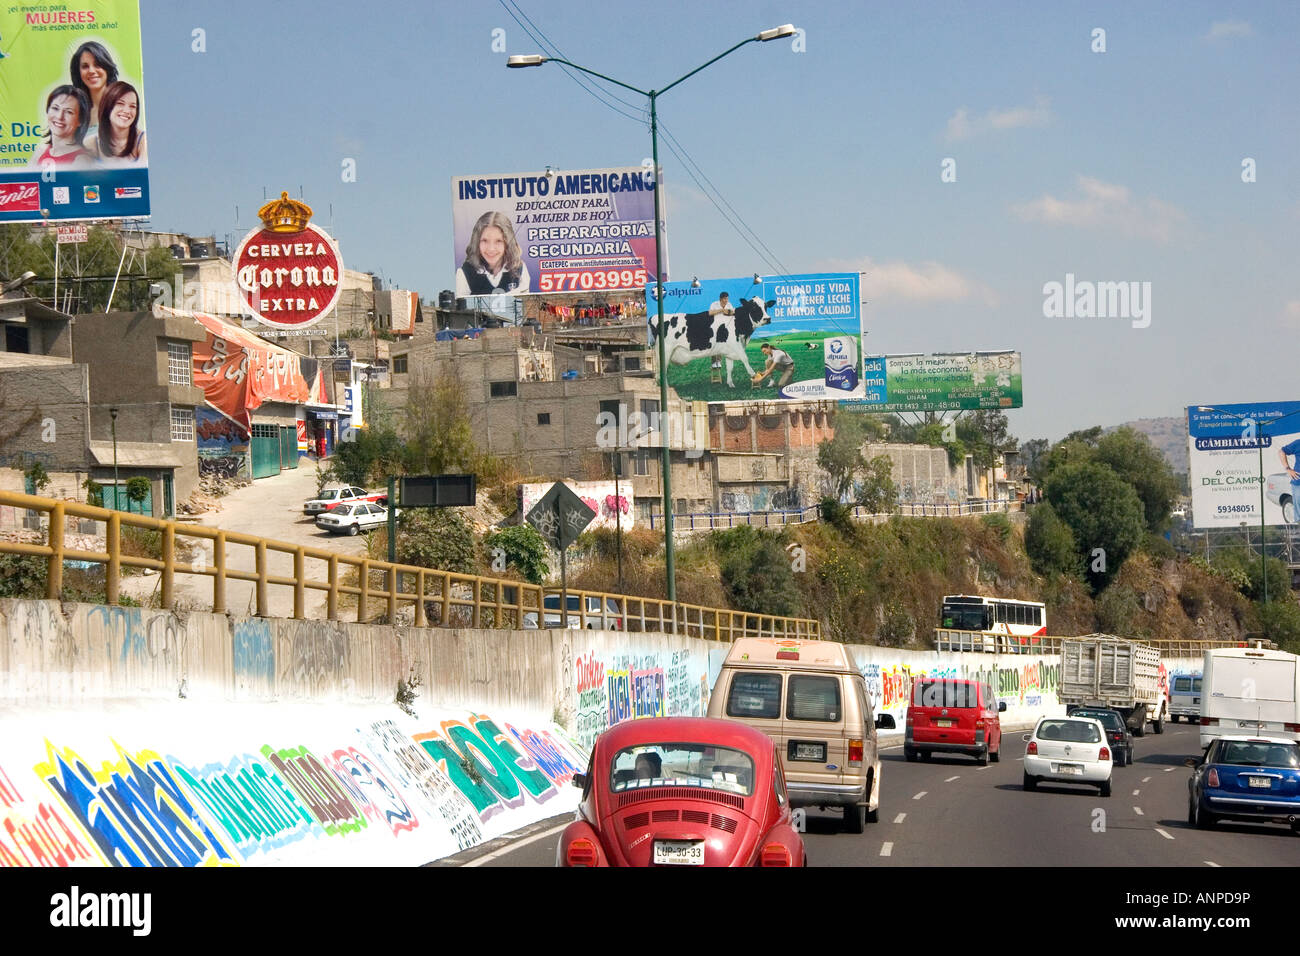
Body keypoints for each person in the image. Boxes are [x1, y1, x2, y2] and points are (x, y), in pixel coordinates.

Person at [455, 211, 529, 296]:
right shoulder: (464, 273)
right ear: (476, 242)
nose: (491, 249)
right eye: (485, 240)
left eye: (498, 241)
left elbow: (526, 305)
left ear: (508, 243)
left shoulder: (520, 269)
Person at [27, 86, 91, 170]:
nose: (59, 116)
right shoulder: (40, 151)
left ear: (80, 120)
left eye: (69, 112)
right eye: (55, 108)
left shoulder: (82, 160)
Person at [84, 81, 146, 166]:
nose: (127, 111)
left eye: (132, 106)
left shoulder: (143, 141)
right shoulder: (91, 143)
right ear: (107, 106)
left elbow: (144, 176)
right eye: (120, 103)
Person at [70, 40, 119, 141]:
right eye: (85, 66)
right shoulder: (76, 112)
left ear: (107, 67)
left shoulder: (122, 105)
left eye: (97, 64)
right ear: (78, 72)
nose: (91, 71)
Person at [1278, 437, 1300, 523]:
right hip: (1298, 481)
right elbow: (1281, 452)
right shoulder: (1298, 443)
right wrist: (1288, 469)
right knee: (1298, 504)